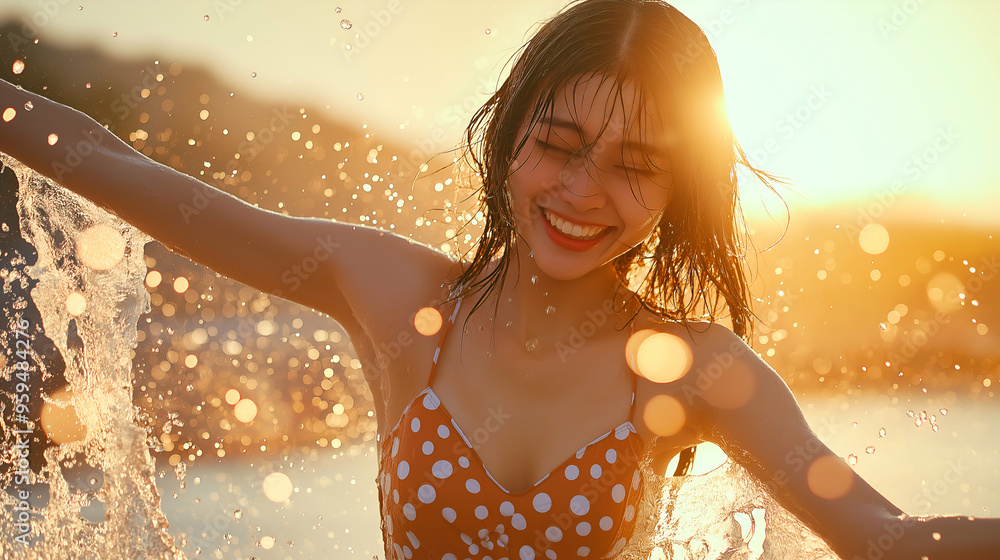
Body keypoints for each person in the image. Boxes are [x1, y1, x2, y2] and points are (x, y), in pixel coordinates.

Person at [1, 0, 998, 558]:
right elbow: (114, 163)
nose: (581, 192)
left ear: (677, 189)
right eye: (557, 145)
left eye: (635, 166)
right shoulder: (395, 296)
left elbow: (881, 536)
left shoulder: (699, 368)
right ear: (511, 127)